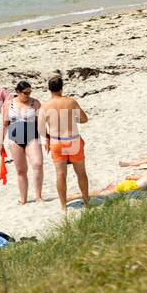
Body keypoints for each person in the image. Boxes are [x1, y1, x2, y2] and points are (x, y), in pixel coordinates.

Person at [40, 75, 89, 212]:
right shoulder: (71, 102)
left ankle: (63, 205)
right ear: (61, 88)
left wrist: (48, 138)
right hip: (73, 140)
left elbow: (41, 129)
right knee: (81, 173)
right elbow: (84, 119)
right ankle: (86, 200)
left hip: (57, 142)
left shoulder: (45, 106)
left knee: (60, 175)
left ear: (49, 89)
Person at [2, 81, 44, 205]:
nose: (28, 95)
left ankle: (38, 197)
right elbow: (5, 124)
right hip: (15, 139)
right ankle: (23, 199)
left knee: (38, 164)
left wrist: (46, 138)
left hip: (32, 137)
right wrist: (0, 142)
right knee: (21, 171)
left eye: (30, 92)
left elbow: (41, 123)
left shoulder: (35, 103)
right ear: (18, 92)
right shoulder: (9, 104)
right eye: (25, 93)